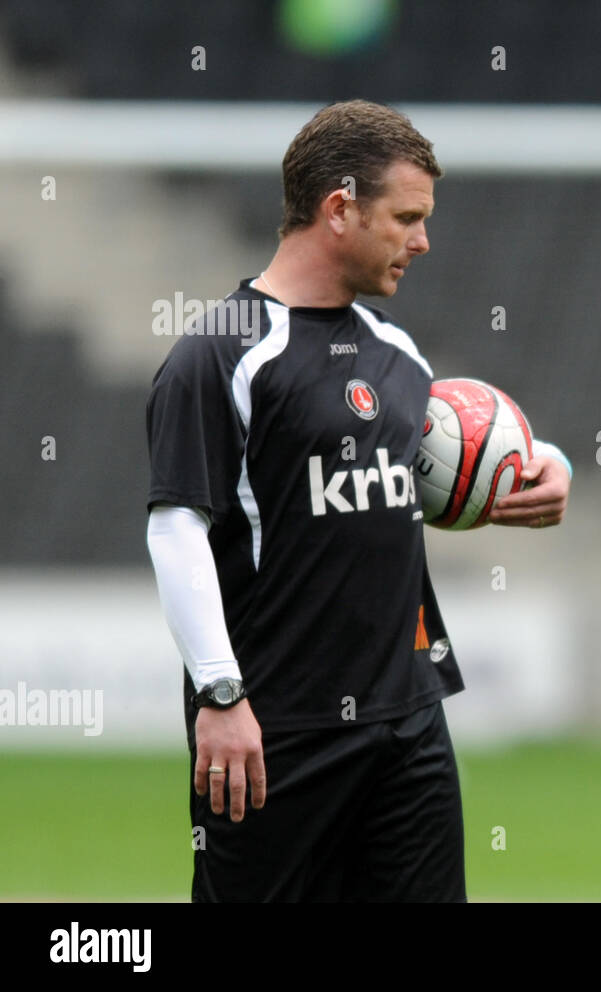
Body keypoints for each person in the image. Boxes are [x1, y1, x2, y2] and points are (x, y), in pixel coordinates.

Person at [145, 99, 572, 902]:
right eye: (407, 218)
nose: (423, 241)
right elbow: (176, 528)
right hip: (275, 732)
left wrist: (556, 465)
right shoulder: (220, 356)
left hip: (408, 722)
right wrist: (221, 694)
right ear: (339, 208)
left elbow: (469, 444)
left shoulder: (397, 352)